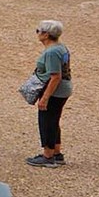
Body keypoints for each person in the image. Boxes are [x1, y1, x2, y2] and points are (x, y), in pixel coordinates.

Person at [27, 20, 72, 167]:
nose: (37, 33)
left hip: (54, 91)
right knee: (53, 120)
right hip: (63, 89)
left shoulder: (51, 52)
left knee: (46, 121)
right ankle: (56, 152)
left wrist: (45, 98)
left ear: (46, 34)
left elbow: (55, 76)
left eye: (38, 31)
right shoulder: (60, 47)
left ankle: (48, 156)